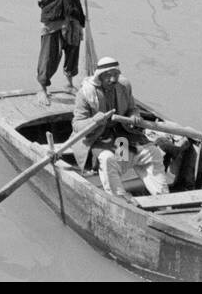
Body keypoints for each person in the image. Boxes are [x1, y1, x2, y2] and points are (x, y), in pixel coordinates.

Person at [72, 58, 175, 197]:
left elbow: (133, 108)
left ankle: (163, 198)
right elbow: (77, 124)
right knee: (108, 159)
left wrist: (134, 116)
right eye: (108, 75)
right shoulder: (86, 93)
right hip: (97, 138)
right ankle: (118, 197)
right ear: (99, 76)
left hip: (121, 135)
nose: (113, 79)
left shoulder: (123, 86)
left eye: (116, 74)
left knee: (152, 153)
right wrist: (93, 121)